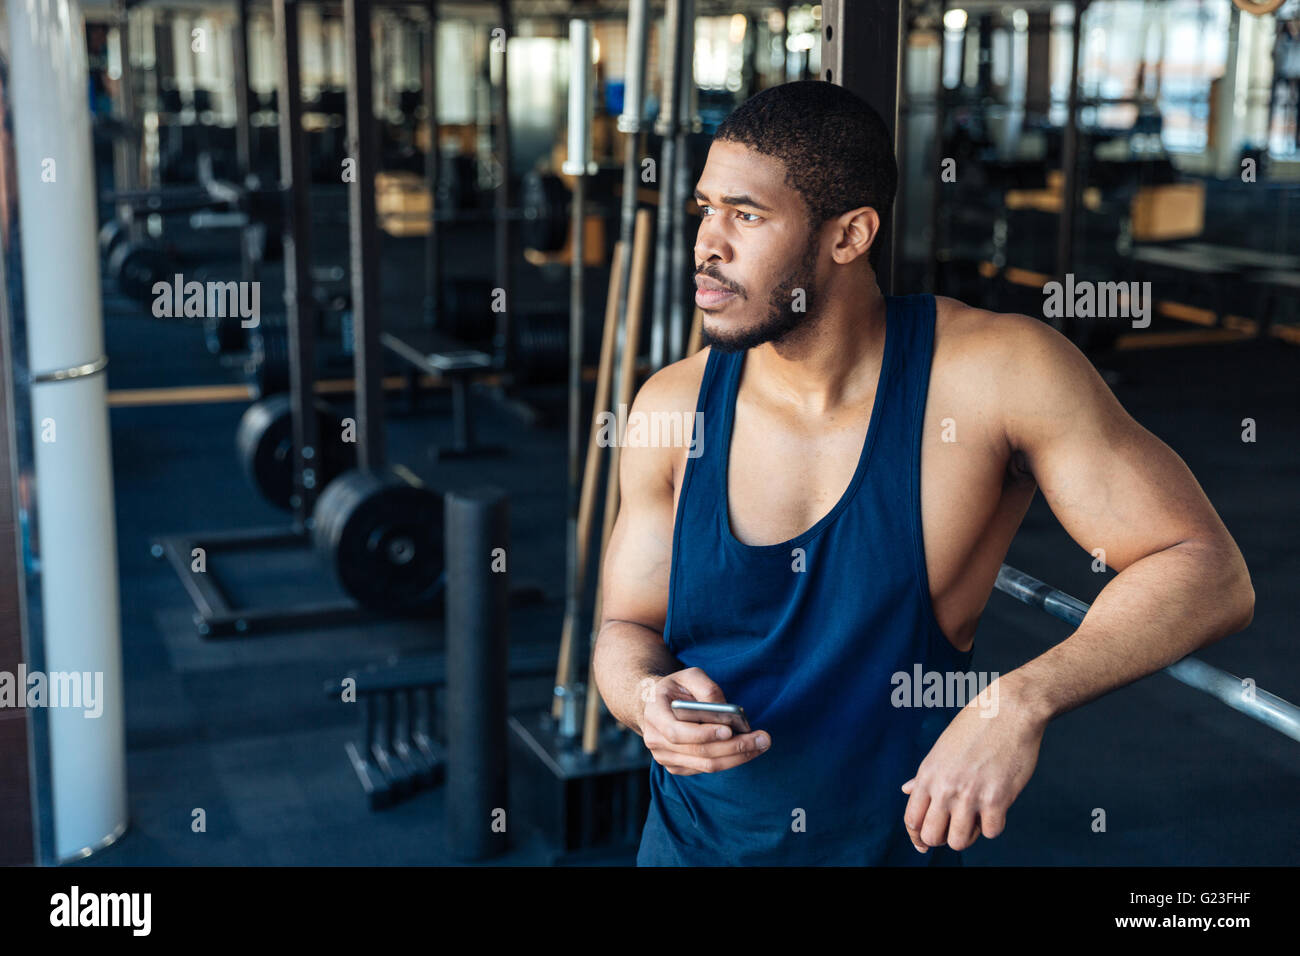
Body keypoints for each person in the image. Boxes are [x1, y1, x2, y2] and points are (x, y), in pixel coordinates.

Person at [590, 80, 1254, 866]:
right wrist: (644, 698)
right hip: (687, 849)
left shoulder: (997, 375)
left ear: (850, 236)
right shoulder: (671, 407)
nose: (708, 244)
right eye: (705, 208)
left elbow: (1209, 571)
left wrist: (1018, 701)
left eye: (746, 214)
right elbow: (624, 628)